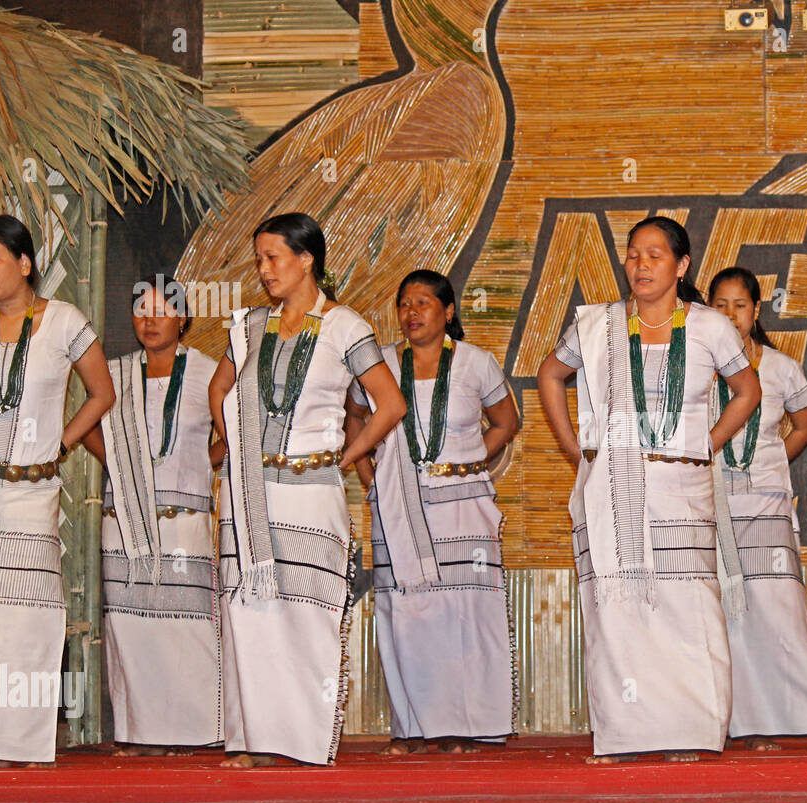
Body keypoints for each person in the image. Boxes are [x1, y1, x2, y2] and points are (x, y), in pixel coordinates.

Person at [537, 216, 761, 763]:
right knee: (618, 613)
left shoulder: (708, 325)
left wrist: (706, 442)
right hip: (612, 484)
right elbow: (549, 375)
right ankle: (626, 734)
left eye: (655, 255)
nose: (641, 265)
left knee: (688, 609)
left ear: (682, 267)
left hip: (681, 486)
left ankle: (694, 731)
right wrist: (575, 449)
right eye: (633, 254)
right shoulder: (599, 324)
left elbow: (747, 391)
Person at [208, 213, 405, 768]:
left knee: (306, 617)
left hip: (310, 493)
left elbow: (389, 405)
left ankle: (302, 741)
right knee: (250, 616)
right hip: (249, 495)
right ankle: (254, 741)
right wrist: (238, 442)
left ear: (306, 259)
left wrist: (342, 456)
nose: (264, 269)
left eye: (273, 258)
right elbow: (218, 388)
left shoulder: (346, 326)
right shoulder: (247, 327)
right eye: (259, 260)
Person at [346, 270, 519, 755]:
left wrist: (467, 466)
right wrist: (366, 469)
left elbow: (507, 421)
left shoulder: (475, 362)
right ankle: (413, 729)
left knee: (466, 614)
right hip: (397, 505)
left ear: (448, 312)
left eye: (424, 303)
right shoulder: (380, 363)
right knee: (408, 614)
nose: (412, 313)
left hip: (463, 510)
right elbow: (355, 415)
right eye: (404, 304)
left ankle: (470, 726)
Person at [0, 214, 115, 768]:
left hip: (33, 496)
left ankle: (21, 743)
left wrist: (58, 446)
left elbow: (102, 393)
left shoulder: (63, 321)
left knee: (29, 620)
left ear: (24, 263)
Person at [83, 275, 225, 756]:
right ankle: (141, 734)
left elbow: (233, 435)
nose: (149, 320)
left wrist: (205, 463)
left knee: (188, 628)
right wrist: (122, 470)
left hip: (183, 519)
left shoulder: (209, 373)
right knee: (132, 628)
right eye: (141, 310)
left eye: (161, 310)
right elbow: (85, 426)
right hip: (123, 519)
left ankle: (197, 730)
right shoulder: (114, 373)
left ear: (183, 317)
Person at [707, 267, 807, 750]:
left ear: (756, 310)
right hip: (712, 501)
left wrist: (770, 463)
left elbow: (804, 424)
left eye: (739, 305)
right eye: (719, 305)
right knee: (725, 611)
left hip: (766, 502)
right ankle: (734, 720)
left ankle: (795, 716)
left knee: (776, 609)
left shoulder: (781, 367)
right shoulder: (698, 366)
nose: (730, 314)